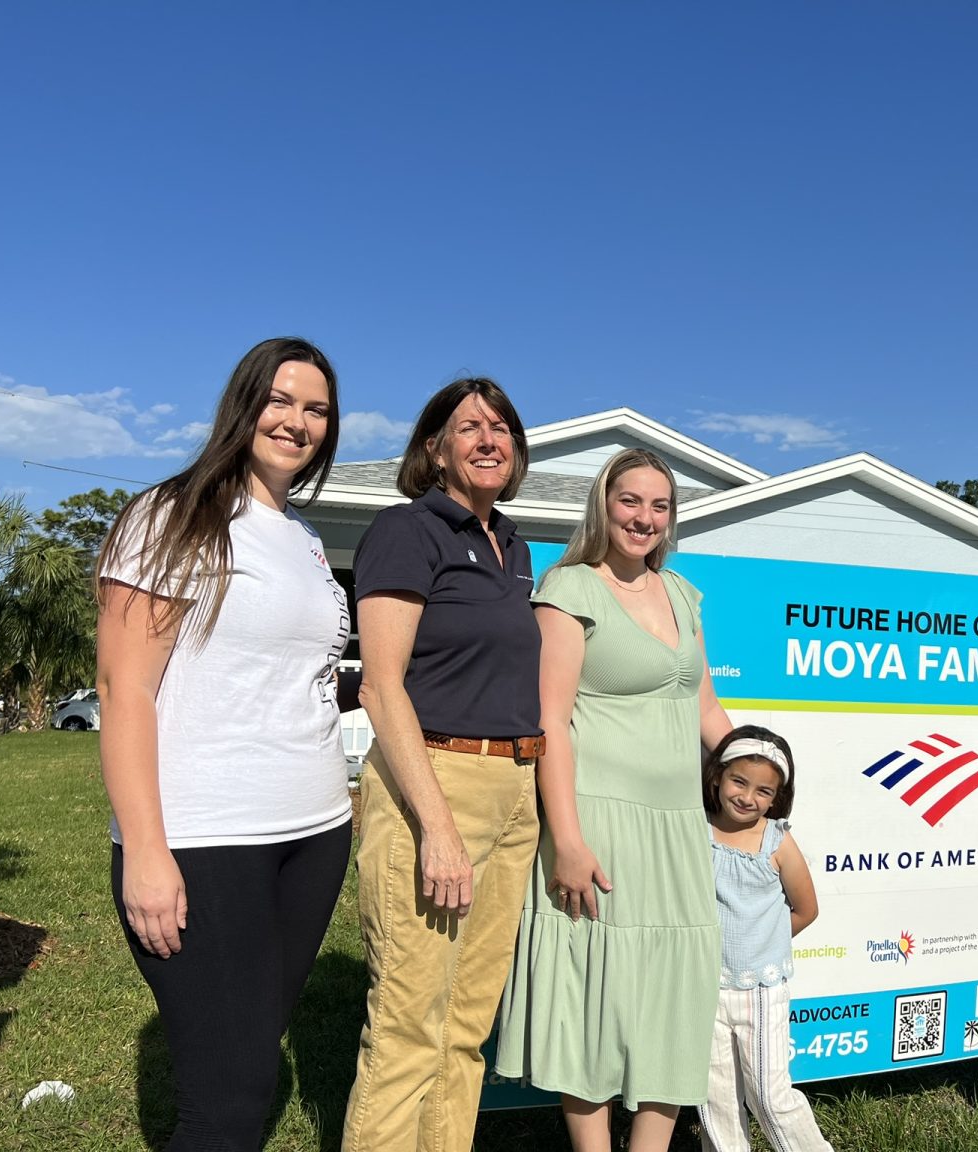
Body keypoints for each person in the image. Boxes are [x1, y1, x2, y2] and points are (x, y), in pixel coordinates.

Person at [96, 336, 350, 1150]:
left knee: (246, 1065)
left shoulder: (305, 539)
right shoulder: (172, 514)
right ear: (244, 403)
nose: (298, 422)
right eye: (281, 400)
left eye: (316, 410)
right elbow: (122, 689)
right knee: (232, 1103)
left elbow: (291, 675)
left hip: (312, 834)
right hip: (207, 838)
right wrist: (145, 848)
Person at [496, 447, 732, 1152]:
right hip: (597, 821)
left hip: (679, 829)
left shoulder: (684, 595)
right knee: (592, 994)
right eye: (631, 501)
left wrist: (762, 767)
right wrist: (566, 839)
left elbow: (707, 711)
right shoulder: (569, 587)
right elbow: (550, 722)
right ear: (604, 504)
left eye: (659, 506)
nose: (645, 518)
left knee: (674, 994)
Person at [341, 378, 542, 1152]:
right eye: (468, 427)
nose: (488, 438)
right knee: (408, 1028)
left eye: (501, 427)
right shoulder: (408, 530)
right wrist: (437, 827)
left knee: (463, 1032)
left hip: (514, 790)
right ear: (435, 450)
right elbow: (382, 685)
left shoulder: (513, 545)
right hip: (436, 782)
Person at [696, 726, 832, 1152]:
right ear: (717, 776)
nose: (747, 797)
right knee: (715, 1100)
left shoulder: (777, 841)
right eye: (739, 781)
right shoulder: (693, 831)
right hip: (702, 988)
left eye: (763, 791)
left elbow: (805, 909)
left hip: (760, 991)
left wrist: (761, 946)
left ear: (777, 799)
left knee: (770, 1097)